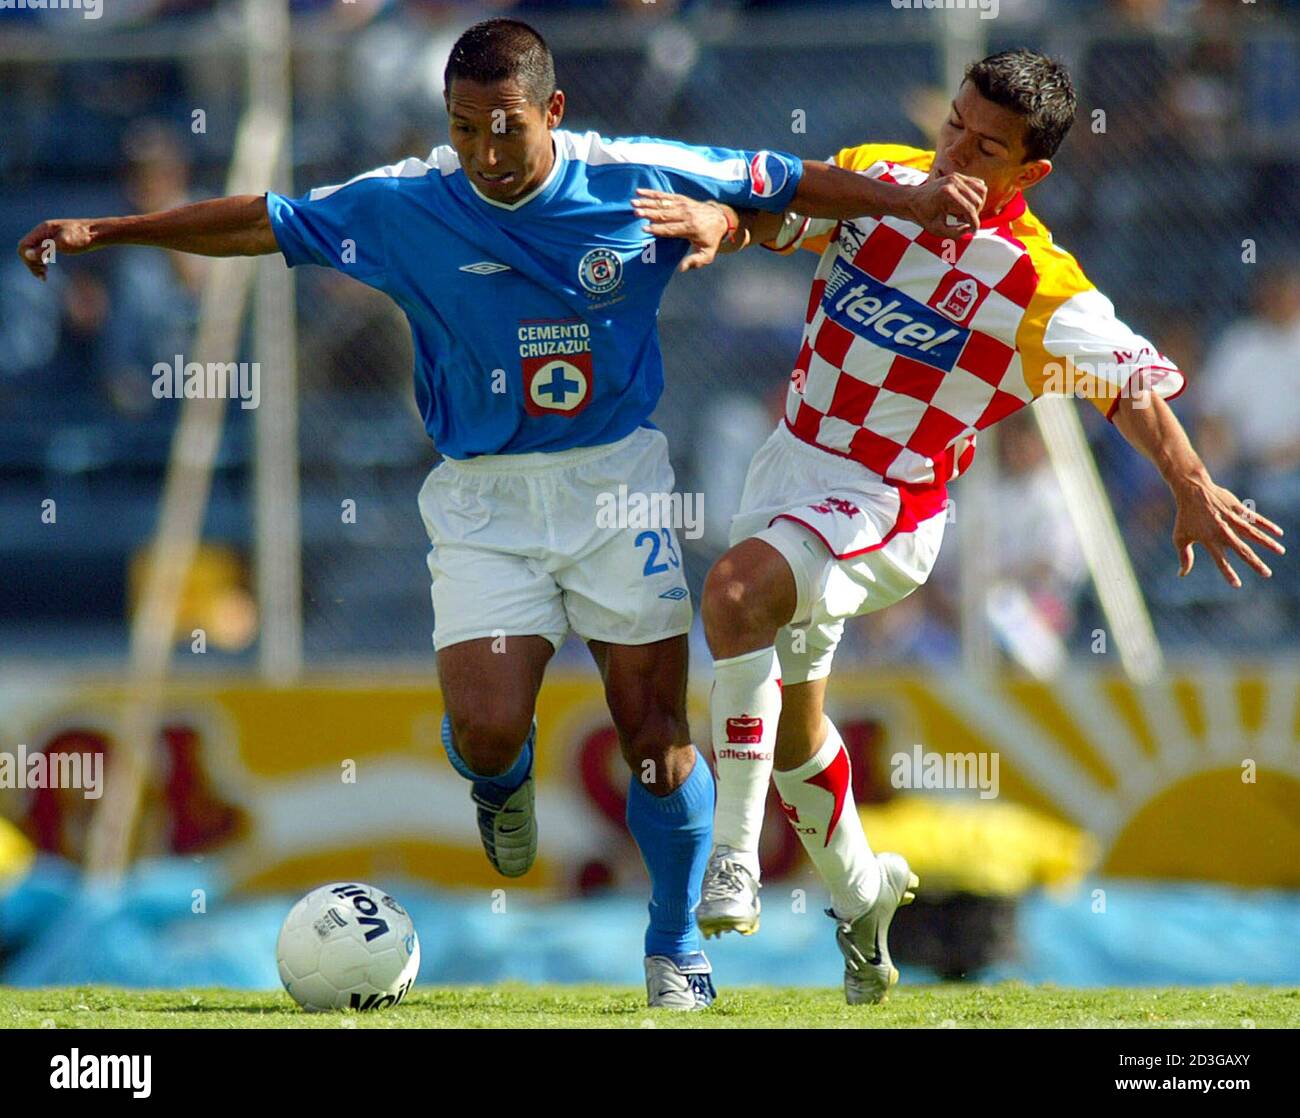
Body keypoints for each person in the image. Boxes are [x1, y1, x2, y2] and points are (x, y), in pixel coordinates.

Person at [17, 18, 984, 1009]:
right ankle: (498, 783)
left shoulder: (630, 173)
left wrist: (904, 198)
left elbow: (784, 179)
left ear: (553, 112)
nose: (484, 152)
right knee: (484, 728)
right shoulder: (405, 202)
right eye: (464, 127)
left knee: (653, 733)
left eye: (505, 128)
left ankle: (675, 945)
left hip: (616, 483)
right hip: (482, 498)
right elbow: (265, 219)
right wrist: (108, 230)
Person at [632, 47, 1285, 1004]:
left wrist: (1190, 481)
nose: (957, 154)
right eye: (955, 127)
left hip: (888, 504)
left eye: (988, 149)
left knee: (734, 594)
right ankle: (864, 901)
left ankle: (733, 859)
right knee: (800, 725)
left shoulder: (1037, 283)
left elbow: (1130, 387)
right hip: (791, 465)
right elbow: (785, 219)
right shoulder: (886, 176)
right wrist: (719, 221)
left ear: (1030, 173)